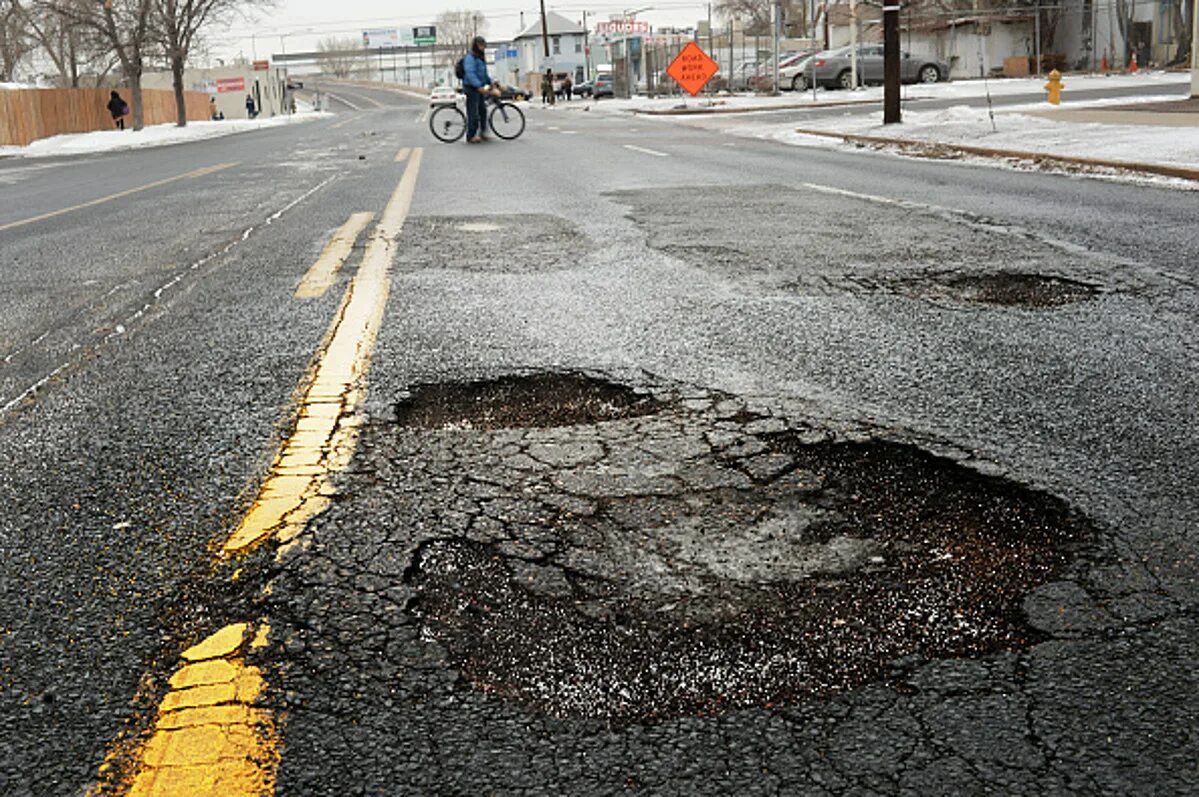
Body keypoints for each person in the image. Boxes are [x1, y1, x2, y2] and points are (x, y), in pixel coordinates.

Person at [462, 35, 497, 143]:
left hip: (479, 88)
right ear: (476, 46)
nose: (483, 48)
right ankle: (470, 136)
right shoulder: (470, 57)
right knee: (473, 113)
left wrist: (491, 82)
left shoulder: (480, 57)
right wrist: (478, 86)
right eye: (481, 46)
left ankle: (483, 133)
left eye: (484, 46)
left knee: (483, 111)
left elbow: (483, 74)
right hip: (471, 87)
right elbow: (470, 73)